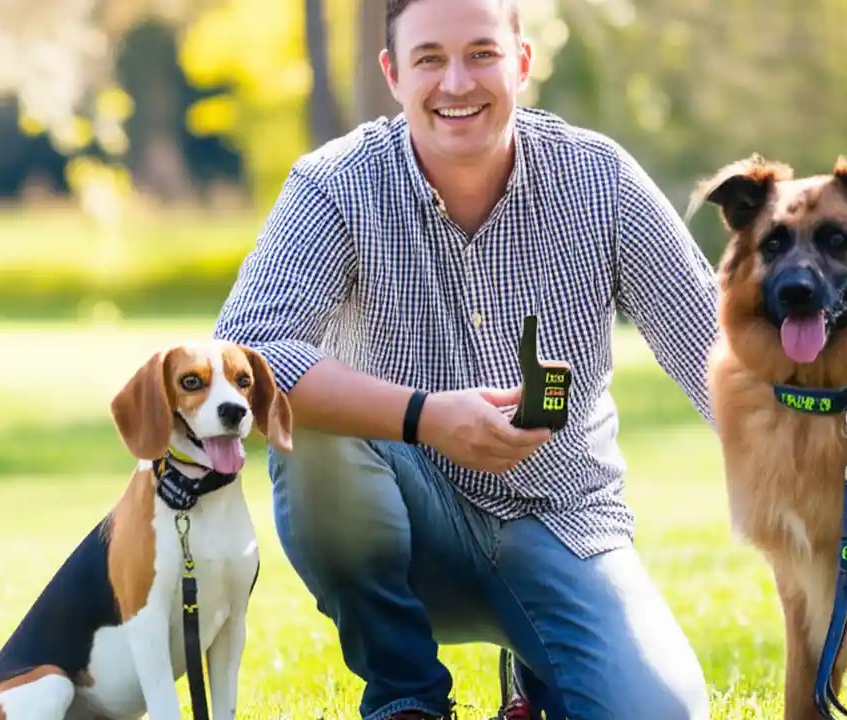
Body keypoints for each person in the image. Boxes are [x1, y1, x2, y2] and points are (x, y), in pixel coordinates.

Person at [212, 0, 719, 717]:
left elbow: (716, 351)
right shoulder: (337, 184)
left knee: (659, 713)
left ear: (522, 61)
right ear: (393, 73)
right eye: (429, 59)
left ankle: (538, 678)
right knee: (316, 430)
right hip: (405, 524)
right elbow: (246, 355)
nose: (456, 83)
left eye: (482, 53)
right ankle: (406, 696)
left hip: (566, 525)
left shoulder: (600, 179)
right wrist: (425, 418)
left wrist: (840, 449)